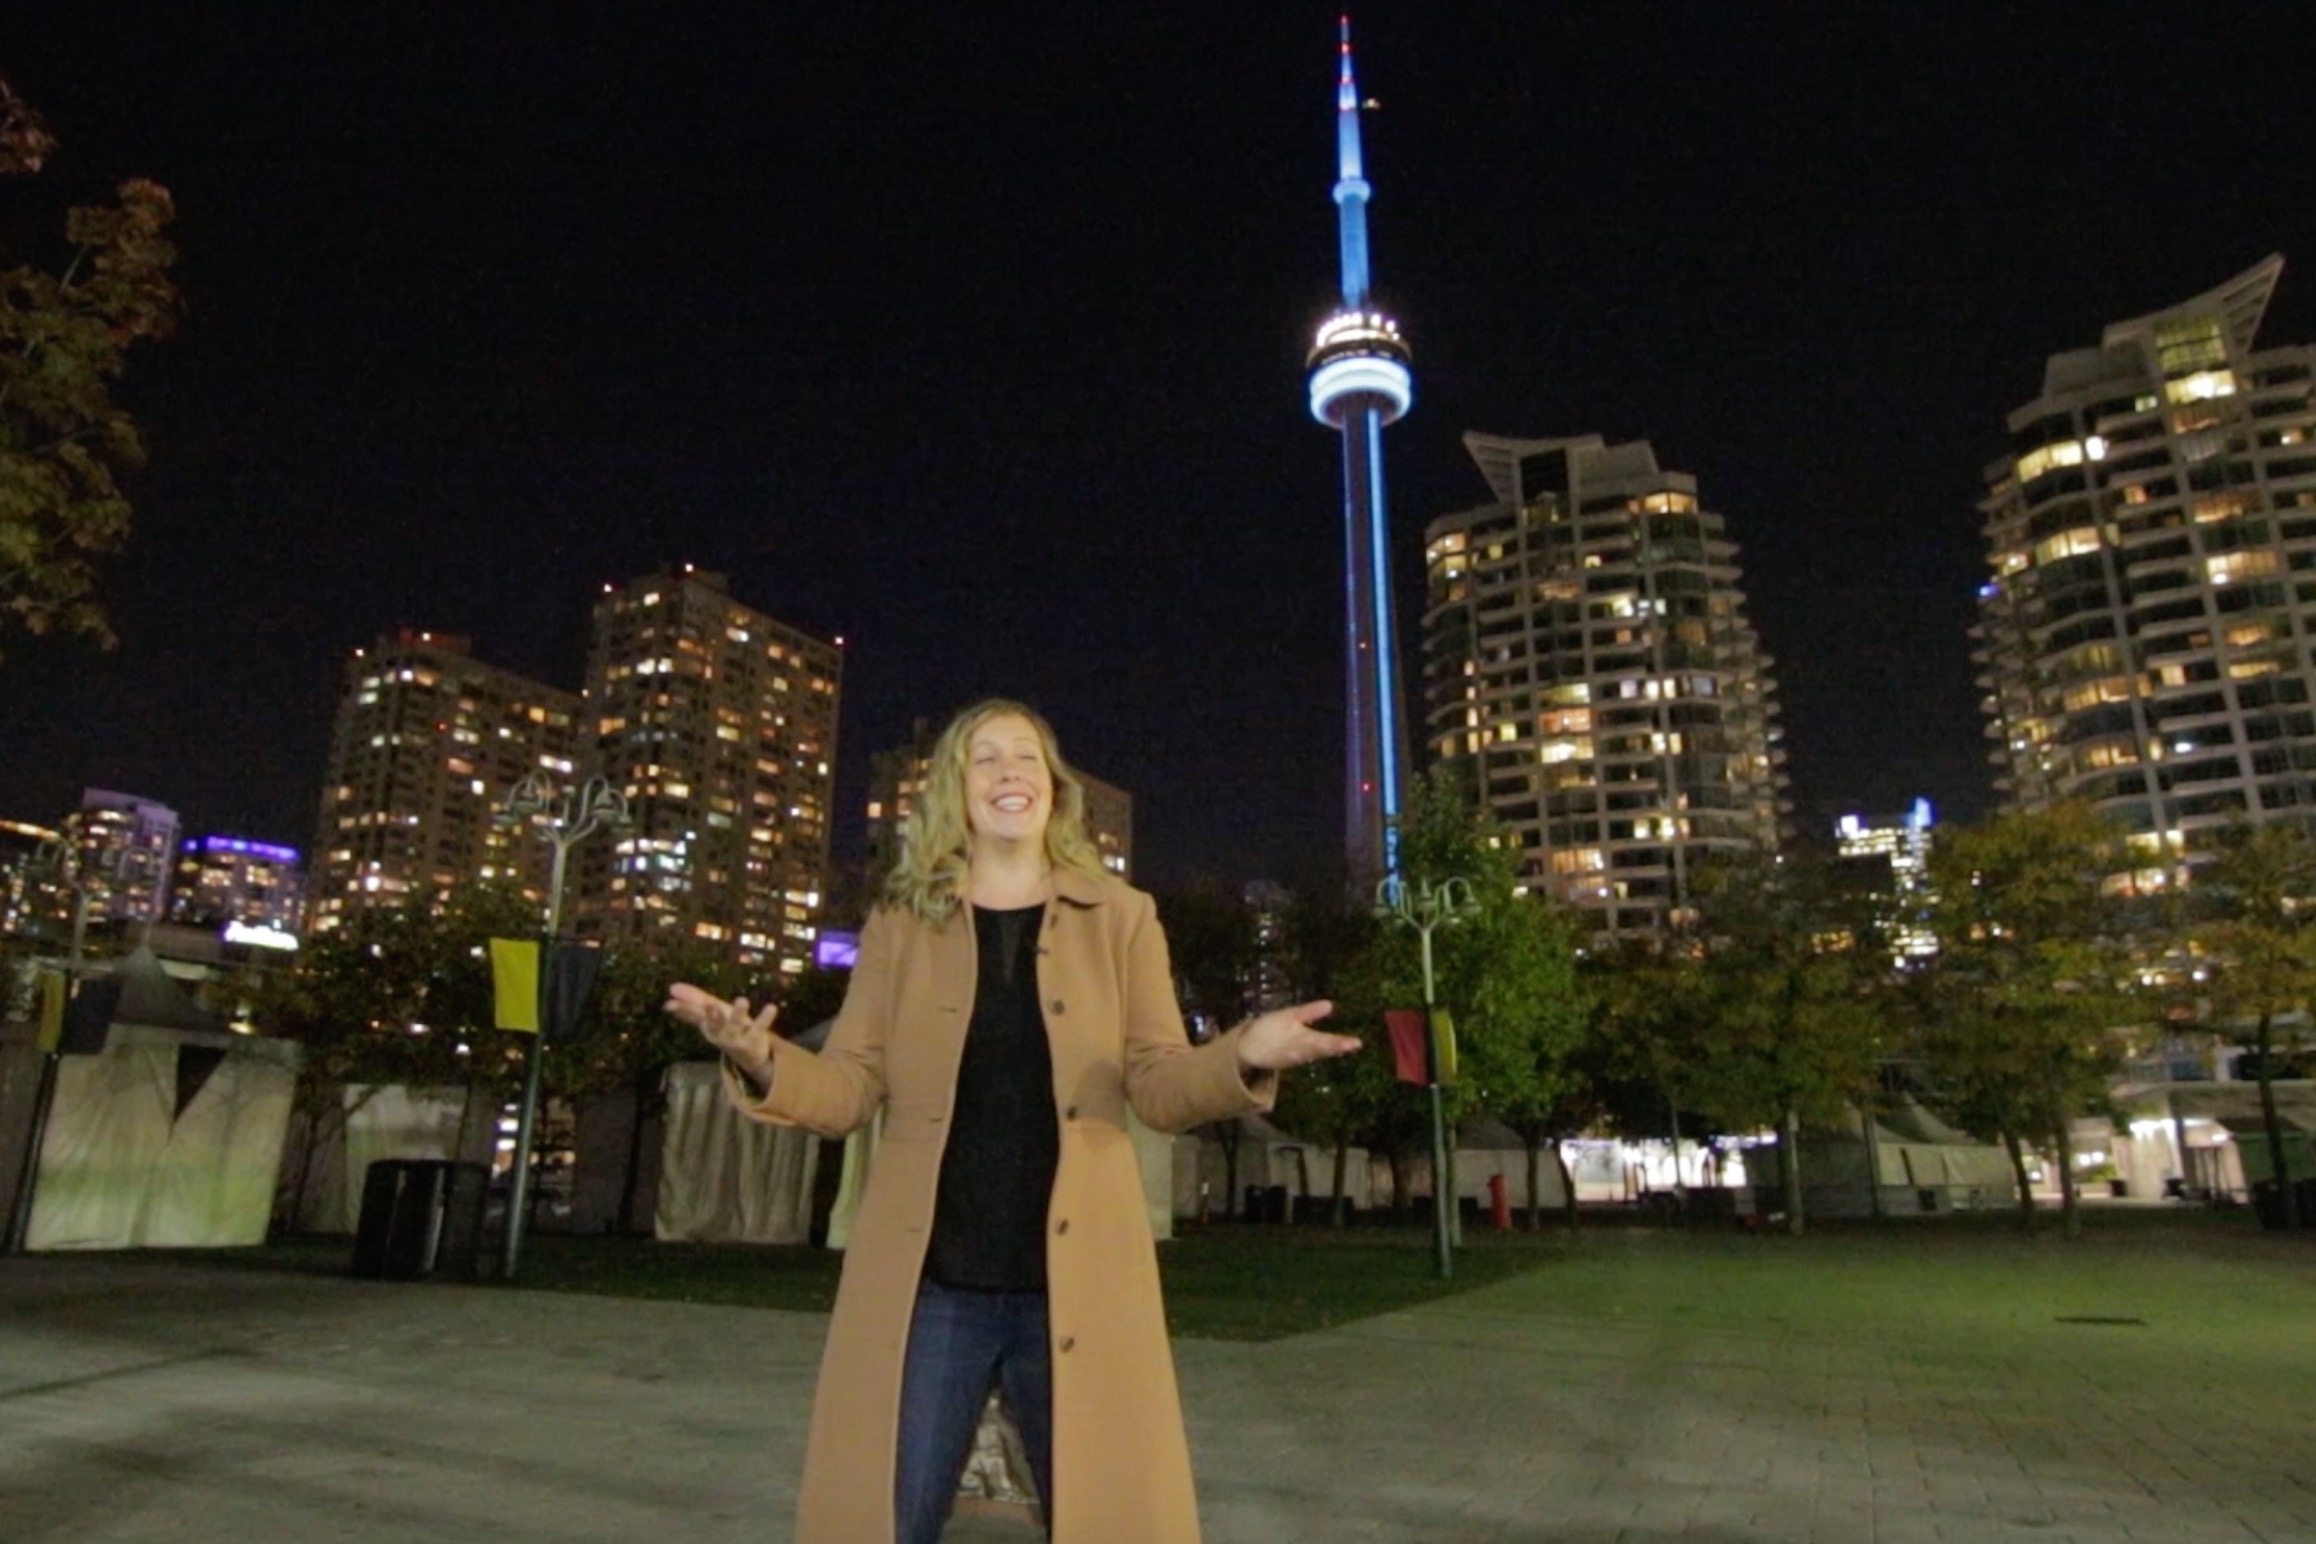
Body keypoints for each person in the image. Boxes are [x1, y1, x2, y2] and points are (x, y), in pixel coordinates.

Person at [664, 698, 1357, 1544]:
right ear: (955, 789)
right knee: (885, 1515)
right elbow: (846, 1089)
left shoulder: (1123, 917)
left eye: (1026, 758)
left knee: (1103, 1516)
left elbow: (1161, 1087)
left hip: (1078, 1285)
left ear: (1055, 788)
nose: (1008, 774)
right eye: (984, 758)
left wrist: (1244, 1052)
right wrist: (757, 1057)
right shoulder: (898, 923)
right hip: (932, 1290)